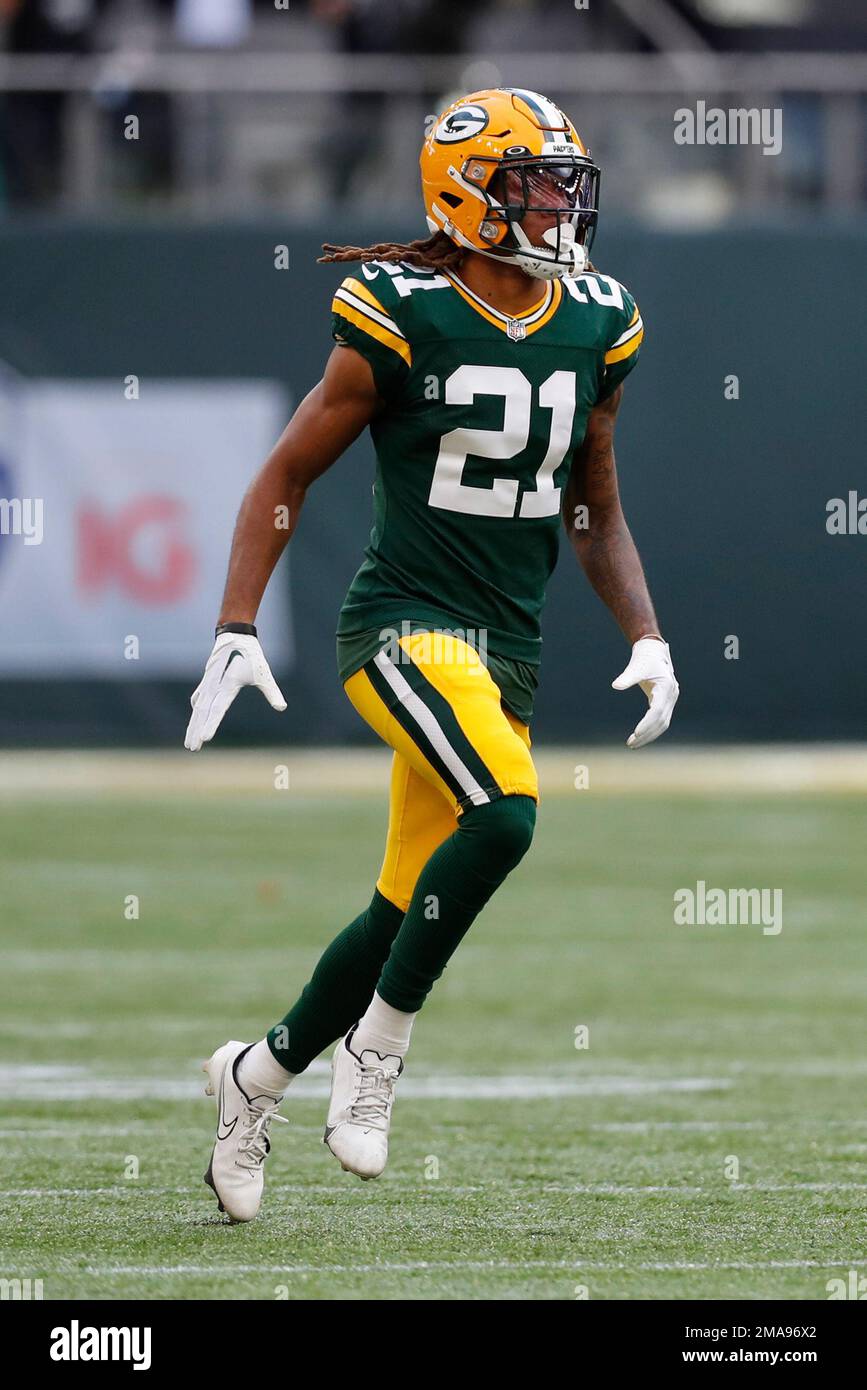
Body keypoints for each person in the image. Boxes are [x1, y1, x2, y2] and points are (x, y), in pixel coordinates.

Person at [185, 87, 679, 1223]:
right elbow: (285, 474)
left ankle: (252, 1080)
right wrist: (235, 623)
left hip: (506, 644)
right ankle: (378, 1049)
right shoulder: (403, 307)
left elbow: (593, 503)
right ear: (471, 192)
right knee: (507, 813)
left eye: (566, 179)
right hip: (403, 624)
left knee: (401, 903)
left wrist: (646, 635)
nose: (560, 201)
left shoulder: (600, 316)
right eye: (535, 180)